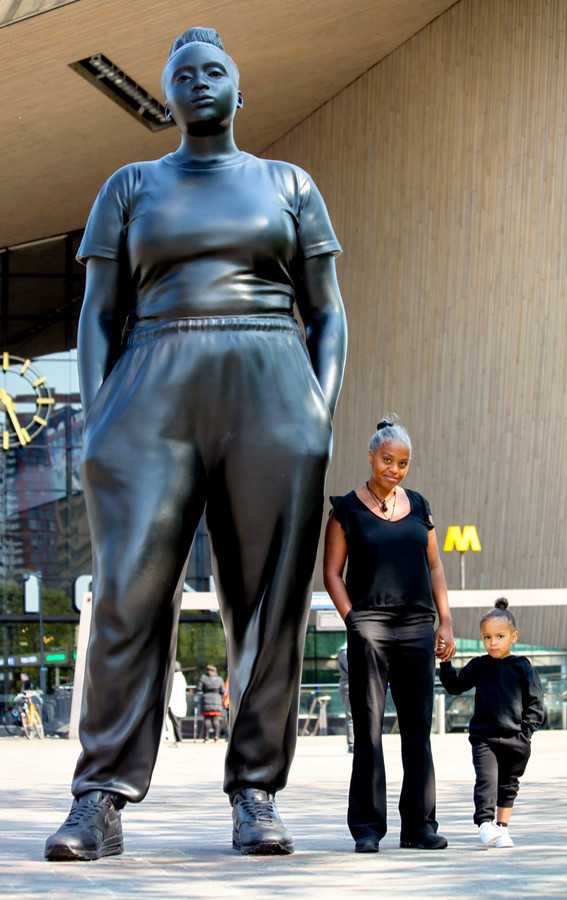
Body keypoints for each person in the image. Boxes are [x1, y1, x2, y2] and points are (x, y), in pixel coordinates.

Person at [44, 26, 346, 861]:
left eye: (216, 71)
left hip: (271, 385)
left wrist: (319, 405)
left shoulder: (288, 183)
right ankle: (100, 795)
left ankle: (256, 792)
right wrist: (100, 418)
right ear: (166, 98)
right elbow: (99, 313)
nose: (200, 82)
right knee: (128, 595)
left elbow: (327, 307)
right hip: (153, 384)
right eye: (184, 74)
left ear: (240, 93)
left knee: (267, 605)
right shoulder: (132, 185)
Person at [323, 416, 455, 853]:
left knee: (418, 728)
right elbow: (331, 573)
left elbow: (435, 566)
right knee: (370, 729)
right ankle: (367, 827)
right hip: (371, 628)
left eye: (402, 463)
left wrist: (446, 621)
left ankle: (419, 826)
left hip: (418, 626)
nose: (394, 469)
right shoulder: (346, 509)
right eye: (387, 460)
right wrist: (353, 620)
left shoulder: (419, 505)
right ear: (371, 457)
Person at [440, 597, 545, 848]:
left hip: (516, 740)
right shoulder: (479, 665)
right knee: (487, 780)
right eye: (487, 637)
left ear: (514, 637)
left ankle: (502, 829)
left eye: (499, 636)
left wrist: (527, 733)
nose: (493, 642)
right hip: (484, 738)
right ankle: (485, 824)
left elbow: (535, 701)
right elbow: (455, 686)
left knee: (509, 785)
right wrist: (445, 662)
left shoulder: (522, 667)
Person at [198, 665, 225, 742]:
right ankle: (216, 736)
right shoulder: (219, 679)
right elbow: (222, 690)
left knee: (207, 719)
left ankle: (206, 736)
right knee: (215, 719)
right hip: (216, 700)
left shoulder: (203, 678)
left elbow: (199, 688)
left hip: (206, 699)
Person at [336, 643, 353, 753]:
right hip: (349, 686)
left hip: (349, 685)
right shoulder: (346, 651)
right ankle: (352, 745)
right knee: (351, 717)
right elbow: (351, 669)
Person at [166, 662, 187, 745]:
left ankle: (179, 739)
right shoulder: (181, 677)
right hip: (180, 703)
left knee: (175, 723)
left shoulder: (174, 678)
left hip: (173, 703)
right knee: (177, 722)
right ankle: (178, 739)